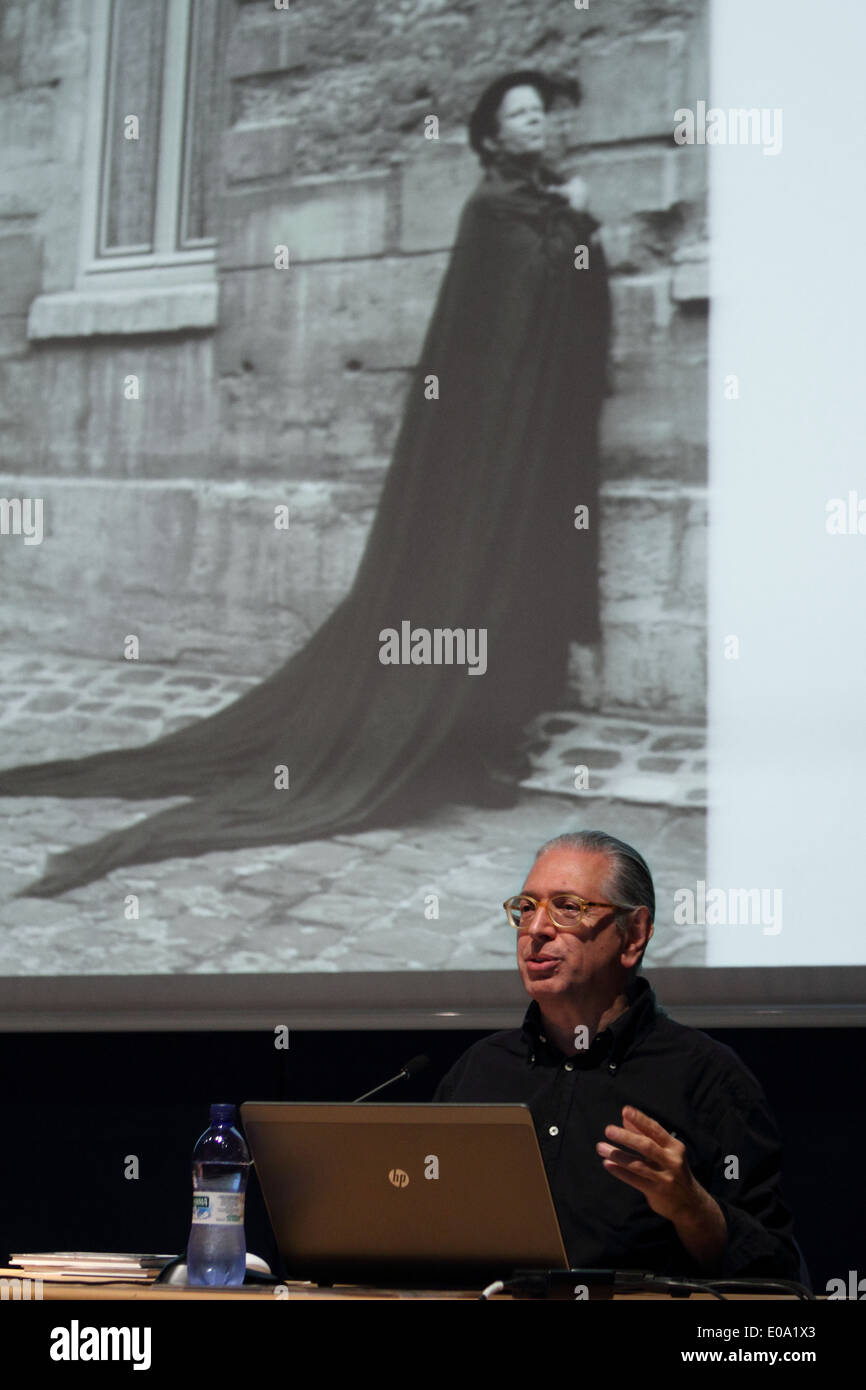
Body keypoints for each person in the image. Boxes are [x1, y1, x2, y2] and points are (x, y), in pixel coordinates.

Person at [0, 71, 611, 897]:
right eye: (520, 116)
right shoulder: (496, 211)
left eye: (542, 112)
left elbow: (564, 306)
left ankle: (486, 743)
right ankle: (456, 750)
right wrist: (578, 219)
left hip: (529, 444)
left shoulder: (541, 202)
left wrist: (576, 221)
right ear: (493, 137)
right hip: (483, 450)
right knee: (470, 589)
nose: (536, 124)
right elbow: (509, 316)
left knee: (512, 583)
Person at [434, 830, 804, 1280]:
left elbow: (774, 1274)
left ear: (634, 935)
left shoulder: (709, 1078)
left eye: (567, 907)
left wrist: (692, 1208)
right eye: (527, 907)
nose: (535, 929)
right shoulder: (481, 1070)